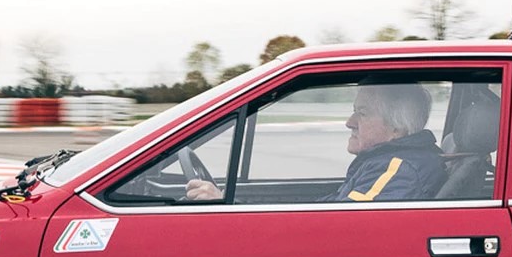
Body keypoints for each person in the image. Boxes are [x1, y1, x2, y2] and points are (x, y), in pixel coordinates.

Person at [184, 81, 444, 203]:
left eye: (362, 113)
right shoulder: (386, 162)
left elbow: (338, 226)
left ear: (396, 127)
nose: (349, 122)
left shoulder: (397, 169)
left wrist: (228, 208)